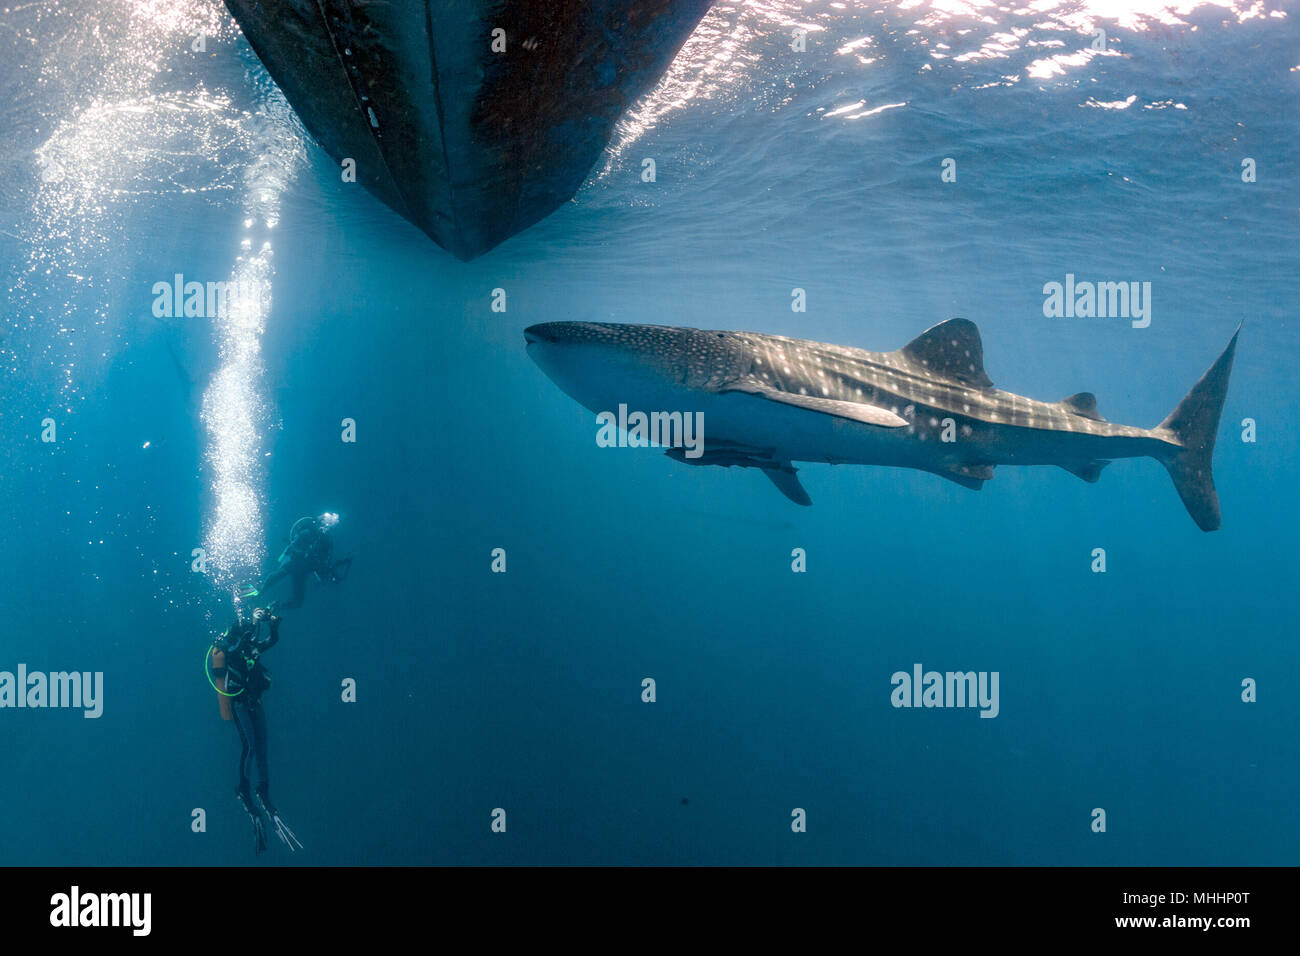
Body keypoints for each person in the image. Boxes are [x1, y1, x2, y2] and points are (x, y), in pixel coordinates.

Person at [207, 606, 303, 854]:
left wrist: (273, 625)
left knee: (262, 746)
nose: (253, 640)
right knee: (249, 747)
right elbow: (232, 647)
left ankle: (263, 789)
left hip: (254, 702)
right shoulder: (231, 647)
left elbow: (272, 640)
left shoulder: (251, 647)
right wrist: (251, 622)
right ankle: (243, 789)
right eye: (249, 633)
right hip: (239, 705)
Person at [241, 512, 351, 609]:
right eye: (325, 524)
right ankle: (259, 593)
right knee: (277, 576)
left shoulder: (326, 541)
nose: (325, 528)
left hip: (304, 569)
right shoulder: (308, 532)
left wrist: (326, 569)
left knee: (297, 601)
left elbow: (325, 560)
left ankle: (274, 606)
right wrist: (304, 553)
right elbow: (295, 544)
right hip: (296, 563)